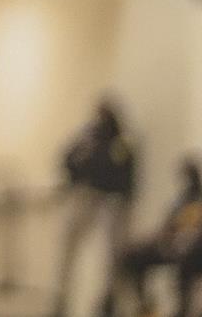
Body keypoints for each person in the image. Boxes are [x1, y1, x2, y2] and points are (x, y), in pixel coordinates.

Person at [60, 99, 139, 317]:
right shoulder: (88, 136)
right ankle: (62, 299)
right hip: (85, 195)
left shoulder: (120, 140)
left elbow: (121, 171)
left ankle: (109, 301)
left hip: (111, 201)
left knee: (110, 255)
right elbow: (68, 158)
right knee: (70, 249)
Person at [110, 158, 202, 317]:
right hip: (172, 245)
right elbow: (168, 227)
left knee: (187, 257)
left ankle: (182, 310)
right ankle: (145, 308)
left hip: (193, 250)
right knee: (132, 253)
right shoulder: (180, 201)